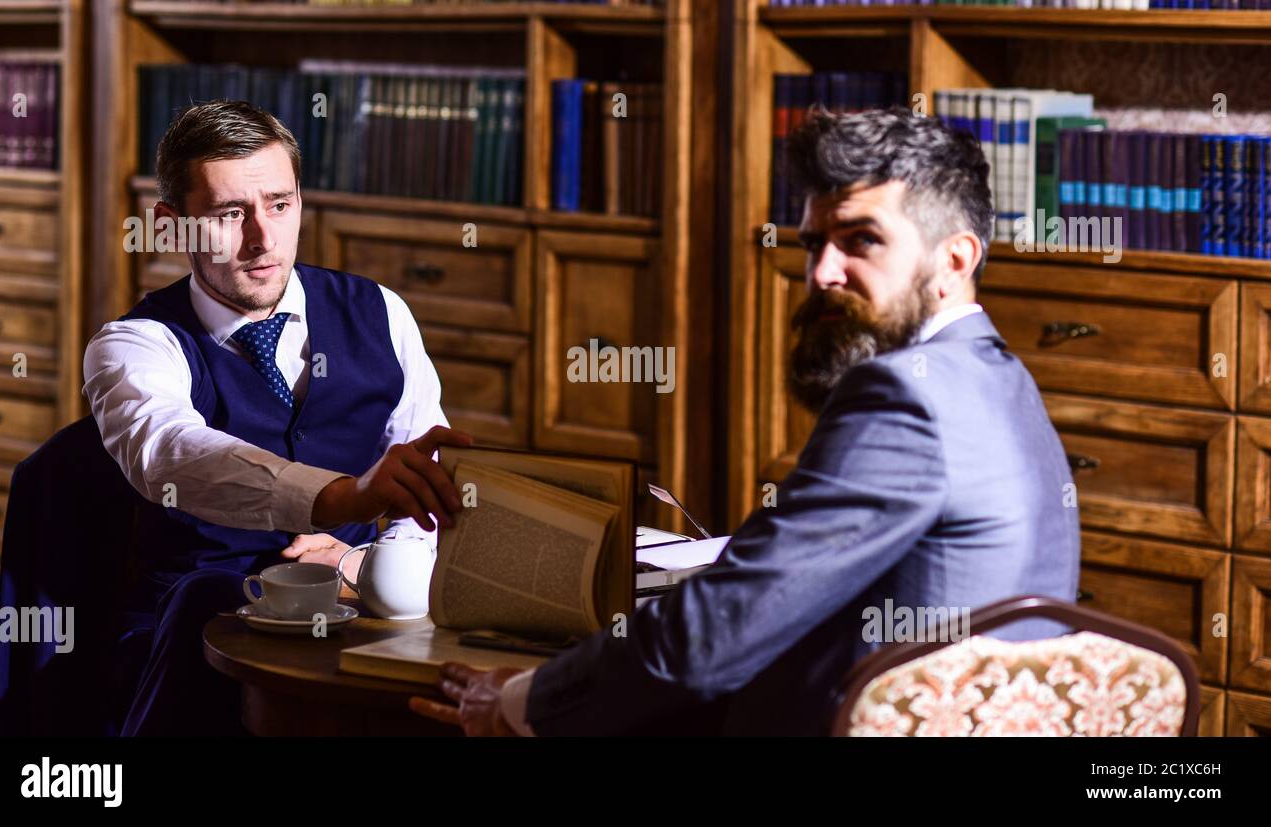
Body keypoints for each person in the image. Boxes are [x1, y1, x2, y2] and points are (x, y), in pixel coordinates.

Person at [411, 105, 1081, 736]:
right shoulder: (1002, 377)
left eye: (861, 241)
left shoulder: (904, 394)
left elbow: (710, 638)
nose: (821, 272)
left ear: (954, 261)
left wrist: (518, 702)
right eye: (814, 243)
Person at [83, 100, 471, 735]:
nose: (263, 240)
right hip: (197, 637)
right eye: (229, 215)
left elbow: (423, 499)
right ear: (170, 227)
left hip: (358, 607)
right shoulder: (134, 345)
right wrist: (343, 498)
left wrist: (359, 566)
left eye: (280, 205)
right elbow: (172, 450)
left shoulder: (381, 312)